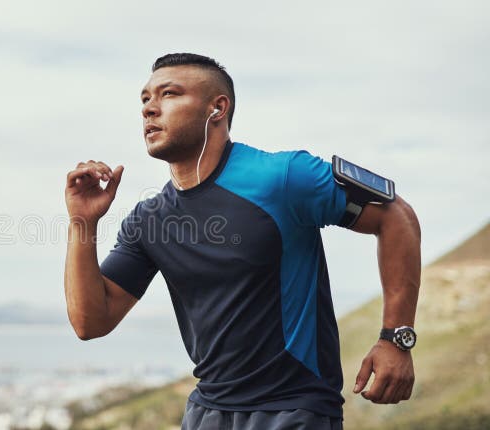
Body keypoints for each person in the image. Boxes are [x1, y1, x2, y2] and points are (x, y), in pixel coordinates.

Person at [63, 52, 421, 429]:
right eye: (145, 99)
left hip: (293, 410)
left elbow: (396, 216)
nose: (150, 109)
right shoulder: (148, 220)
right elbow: (92, 321)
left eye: (169, 94)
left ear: (217, 108)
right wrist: (81, 222)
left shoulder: (284, 177)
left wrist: (396, 339)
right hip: (206, 412)